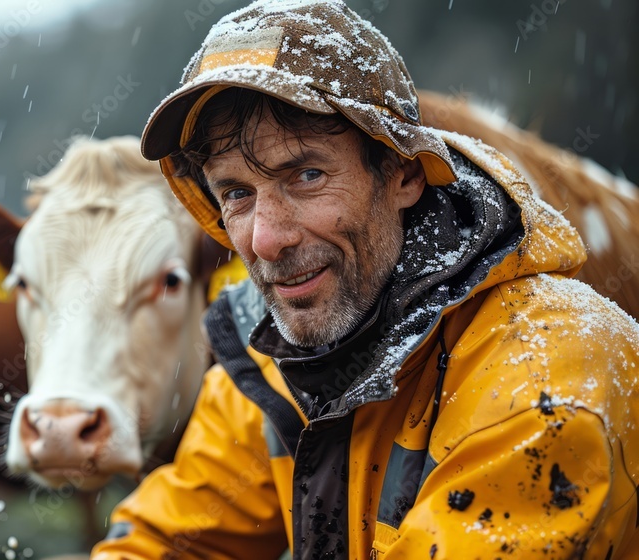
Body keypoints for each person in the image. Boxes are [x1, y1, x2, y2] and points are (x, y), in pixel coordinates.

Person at [91, 1, 639, 558]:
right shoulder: (274, 358)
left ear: (403, 173)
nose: (264, 240)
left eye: (306, 176)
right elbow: (164, 541)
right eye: (236, 192)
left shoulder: (546, 369)